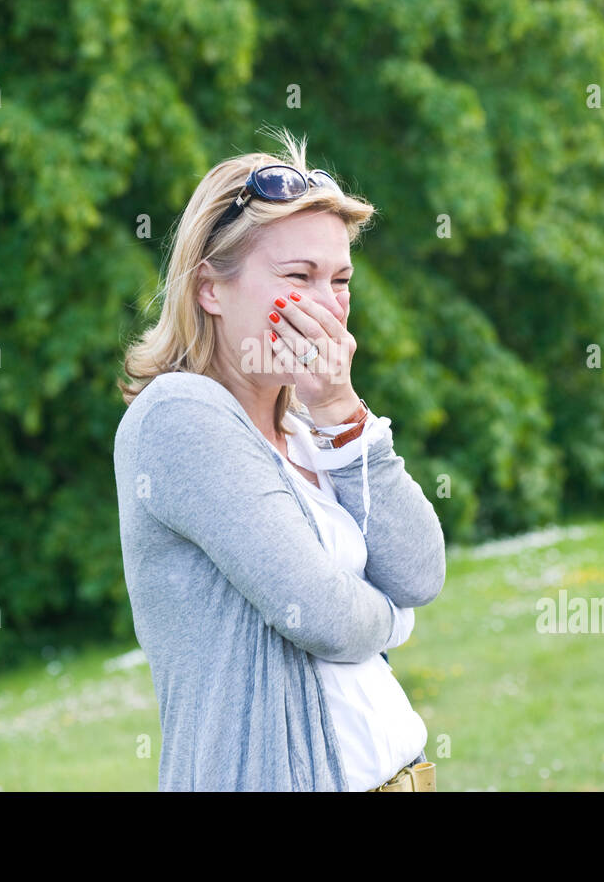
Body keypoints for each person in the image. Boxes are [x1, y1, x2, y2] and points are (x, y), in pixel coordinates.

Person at [113, 126, 445, 791]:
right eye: (299, 276)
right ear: (211, 288)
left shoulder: (307, 424)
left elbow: (420, 568)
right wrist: (395, 619)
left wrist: (342, 410)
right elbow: (320, 613)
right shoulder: (180, 416)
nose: (328, 304)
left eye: (340, 278)